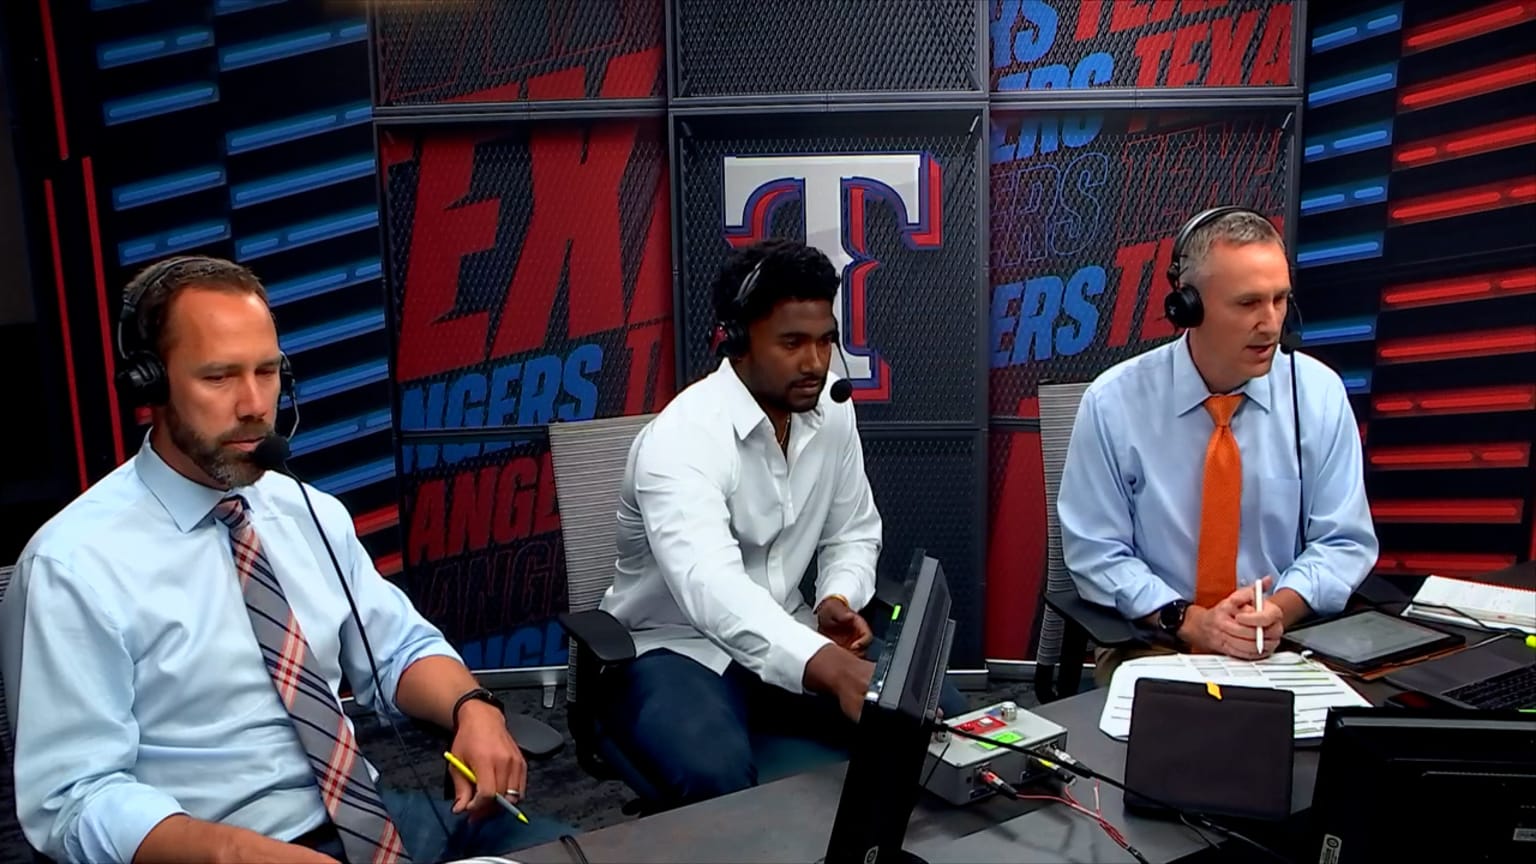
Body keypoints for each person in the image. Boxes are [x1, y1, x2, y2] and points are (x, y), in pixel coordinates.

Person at [0, 256, 562, 863]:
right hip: (207, 848)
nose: (253, 405)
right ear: (151, 386)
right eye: (218, 378)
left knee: (570, 851)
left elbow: (398, 648)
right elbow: (75, 800)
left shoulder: (305, 511)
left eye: (267, 372)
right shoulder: (72, 566)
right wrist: (236, 855)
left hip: (368, 819)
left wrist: (472, 708)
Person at [598, 238, 967, 807]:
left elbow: (853, 531)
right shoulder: (682, 439)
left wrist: (835, 599)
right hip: (677, 648)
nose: (815, 363)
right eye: (792, 343)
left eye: (825, 342)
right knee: (711, 775)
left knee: (940, 715)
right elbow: (711, 591)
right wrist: (830, 668)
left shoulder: (833, 413)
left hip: (792, 626)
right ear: (738, 342)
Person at [1057, 208, 1378, 686]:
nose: (1270, 324)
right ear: (1187, 307)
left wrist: (1276, 613)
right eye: (1248, 303)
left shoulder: (1318, 394)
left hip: (1285, 641)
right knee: (1180, 751)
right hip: (1156, 640)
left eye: (1280, 300)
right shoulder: (1114, 402)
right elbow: (1096, 553)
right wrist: (1191, 622)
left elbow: (1342, 542)